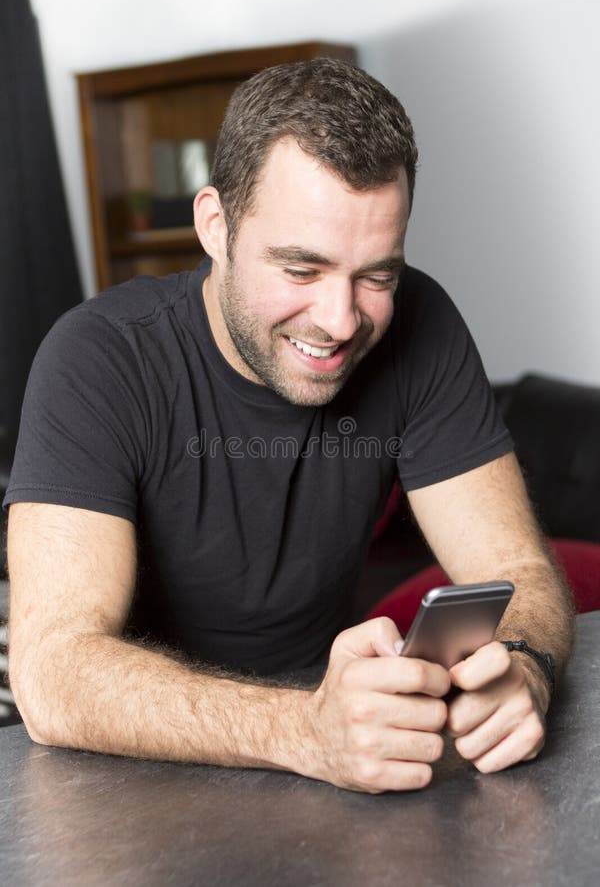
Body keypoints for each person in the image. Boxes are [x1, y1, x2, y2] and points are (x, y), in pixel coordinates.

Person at [5, 58, 574, 794]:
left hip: (332, 767)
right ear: (215, 226)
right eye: (301, 270)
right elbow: (52, 675)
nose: (340, 322)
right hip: (127, 776)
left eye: (376, 276)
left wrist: (523, 666)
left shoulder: (423, 324)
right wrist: (302, 729)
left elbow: (520, 573)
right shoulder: (96, 358)